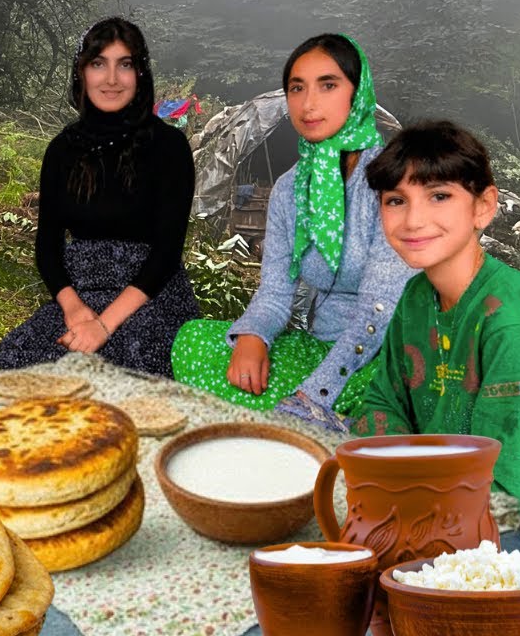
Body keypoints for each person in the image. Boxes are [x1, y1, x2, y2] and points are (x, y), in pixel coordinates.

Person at [171, 34, 414, 430]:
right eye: (296, 88)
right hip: (319, 346)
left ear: (359, 92)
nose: (308, 103)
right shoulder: (289, 189)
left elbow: (380, 312)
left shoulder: (394, 181)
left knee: (346, 409)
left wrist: (312, 395)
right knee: (193, 341)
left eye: (328, 85)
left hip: (384, 355)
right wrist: (253, 337)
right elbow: (274, 294)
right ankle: (306, 421)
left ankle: (327, 420)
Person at [0, 17, 200, 375]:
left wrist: (104, 325)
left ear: (140, 74)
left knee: (121, 365)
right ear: (82, 73)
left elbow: (166, 255)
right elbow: (48, 249)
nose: (111, 79)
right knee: (18, 357)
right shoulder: (62, 150)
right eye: (98, 64)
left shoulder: (168, 146)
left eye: (125, 64)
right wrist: (75, 311)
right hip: (80, 293)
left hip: (149, 298)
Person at [352, 120, 520, 512]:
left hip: (502, 525)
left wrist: (412, 511)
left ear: (483, 207)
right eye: (396, 200)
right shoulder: (417, 296)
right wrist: (387, 483)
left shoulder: (509, 320)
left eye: (439, 196)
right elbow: (384, 402)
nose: (413, 220)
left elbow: (510, 485)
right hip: (428, 497)